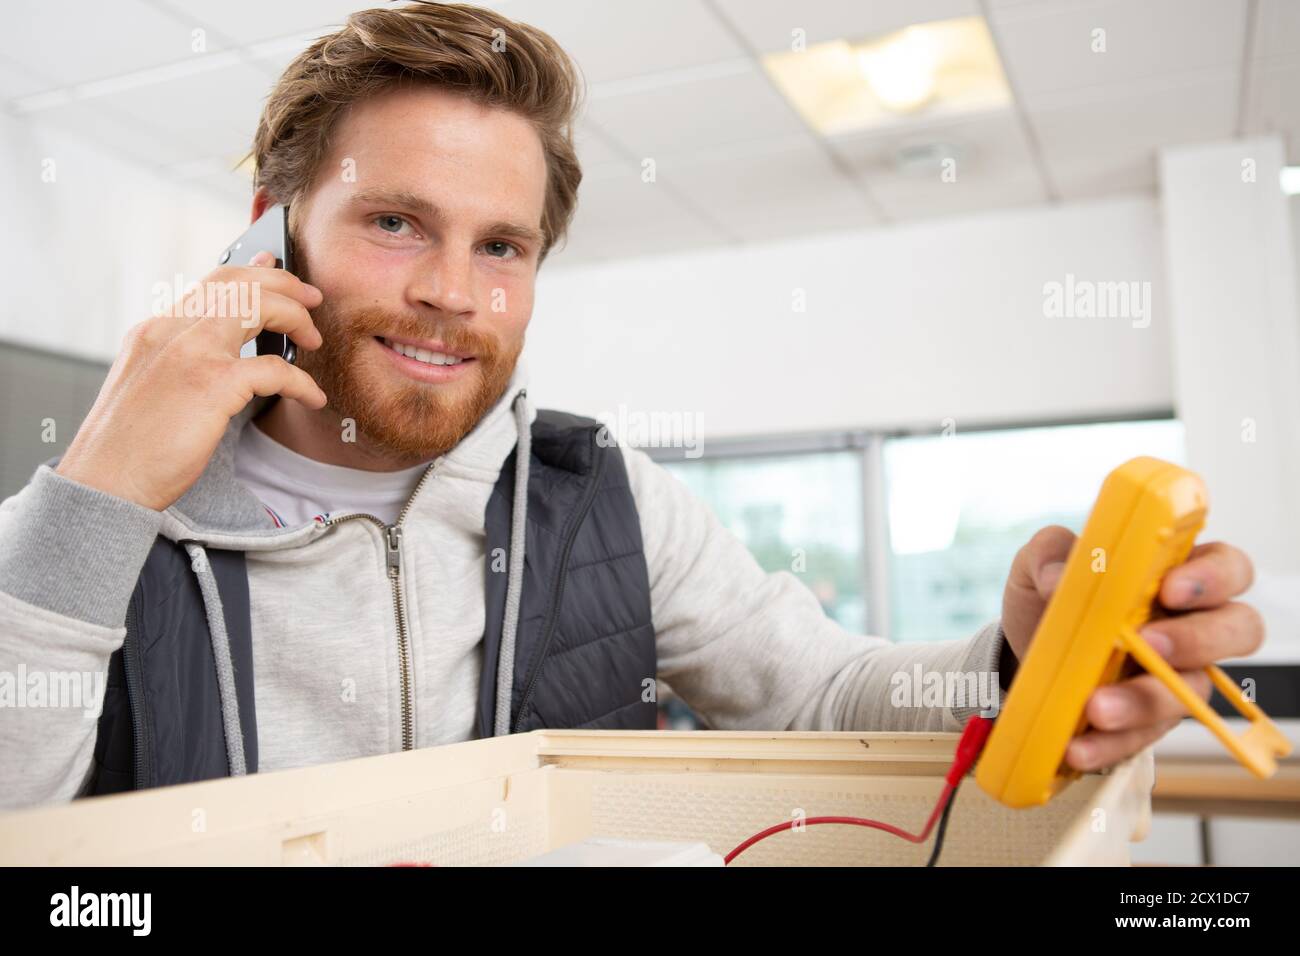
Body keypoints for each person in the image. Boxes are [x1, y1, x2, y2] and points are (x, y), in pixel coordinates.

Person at [0, 2, 1262, 809]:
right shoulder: (94, 522)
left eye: (502, 247)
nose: (453, 293)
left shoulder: (598, 496)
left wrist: (1016, 665)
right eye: (395, 223)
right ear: (268, 234)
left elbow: (820, 694)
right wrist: (98, 494)